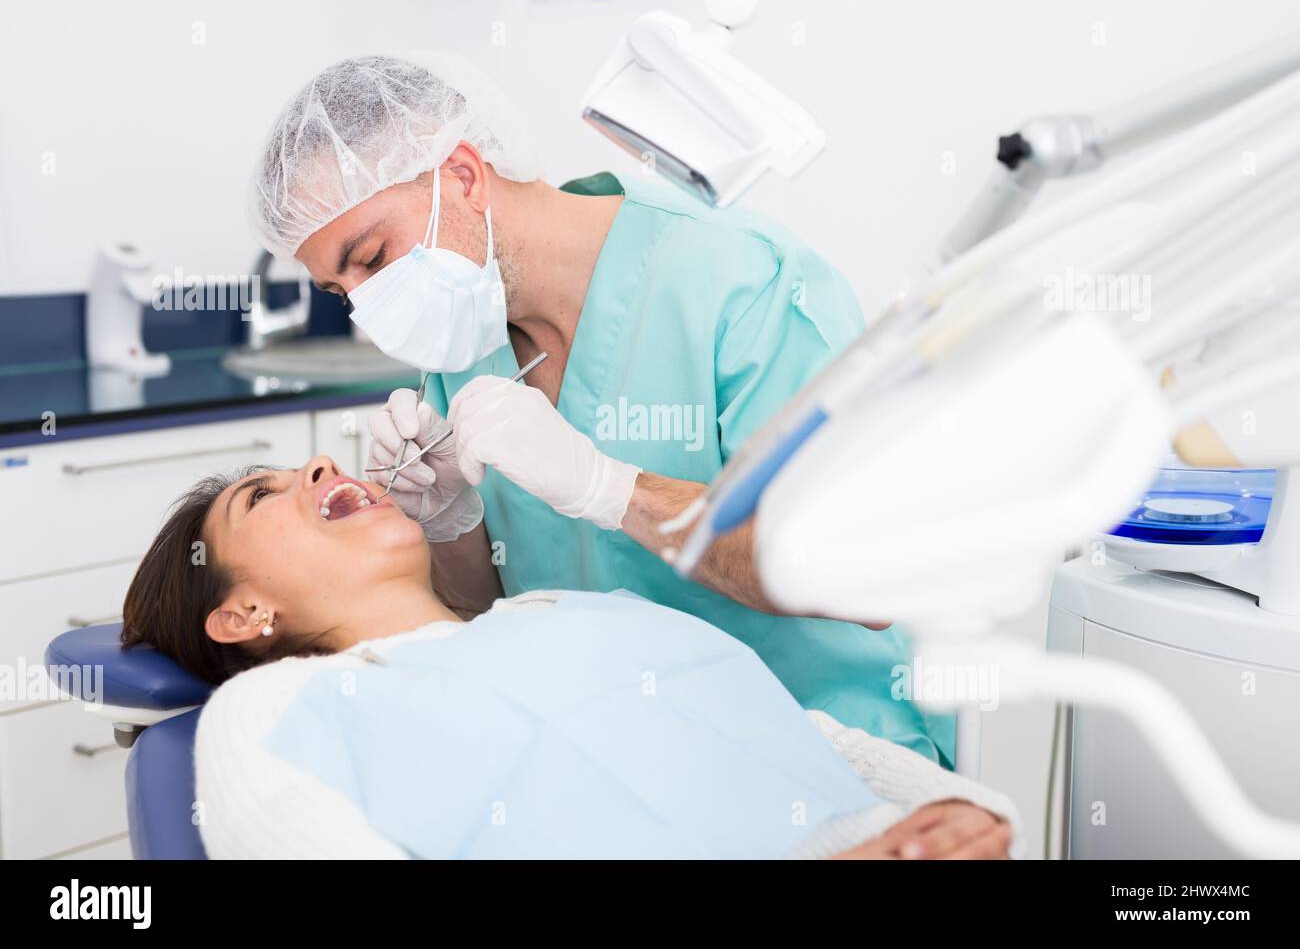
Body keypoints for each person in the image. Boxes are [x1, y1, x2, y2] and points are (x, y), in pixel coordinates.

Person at [247, 54, 954, 766]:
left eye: (371, 257)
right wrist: (451, 523)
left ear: (462, 177)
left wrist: (610, 489)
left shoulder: (739, 283)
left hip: (817, 745)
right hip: (619, 752)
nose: (370, 311)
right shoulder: (462, 342)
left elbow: (858, 574)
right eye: (343, 292)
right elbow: (485, 611)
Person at [120, 456, 1018, 859]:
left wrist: (974, 817)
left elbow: (816, 744)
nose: (316, 465)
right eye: (261, 495)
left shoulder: (568, 611)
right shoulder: (274, 712)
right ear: (241, 613)